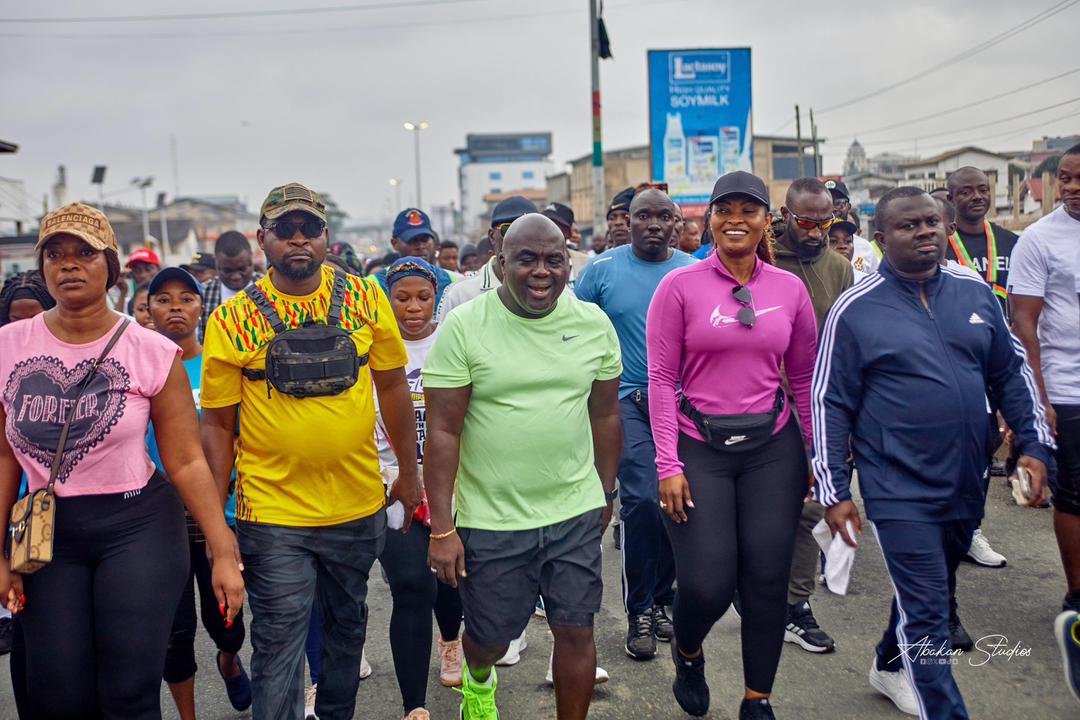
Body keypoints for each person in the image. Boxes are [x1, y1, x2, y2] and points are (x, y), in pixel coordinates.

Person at [814, 186, 1052, 719]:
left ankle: (888, 662)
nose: (925, 232)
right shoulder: (854, 310)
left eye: (931, 223)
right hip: (897, 487)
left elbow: (1009, 374)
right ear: (881, 238)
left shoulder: (974, 294)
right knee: (929, 614)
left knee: (928, 588)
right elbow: (830, 403)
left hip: (965, 480)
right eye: (909, 225)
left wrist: (1033, 447)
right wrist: (833, 491)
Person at [0, 203, 245, 719]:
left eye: (84, 253)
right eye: (56, 254)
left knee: (129, 692)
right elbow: (4, 455)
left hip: (138, 527)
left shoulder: (151, 351)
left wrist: (223, 552)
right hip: (46, 533)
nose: (68, 265)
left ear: (110, 268)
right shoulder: (8, 346)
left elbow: (186, 462)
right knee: (57, 692)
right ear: (43, 267)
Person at [200, 183, 421, 720]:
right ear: (262, 239)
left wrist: (409, 473)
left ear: (326, 237)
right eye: (284, 230)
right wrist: (216, 525)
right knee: (279, 643)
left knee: (347, 633)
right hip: (272, 513)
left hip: (356, 505)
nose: (298, 240)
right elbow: (218, 425)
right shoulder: (232, 320)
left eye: (309, 229)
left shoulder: (367, 298)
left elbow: (393, 387)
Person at [425, 213, 622, 720]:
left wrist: (604, 491)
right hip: (491, 518)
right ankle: (478, 679)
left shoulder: (592, 323)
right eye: (527, 260)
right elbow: (443, 431)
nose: (541, 272)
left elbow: (605, 414)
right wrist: (442, 527)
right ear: (501, 262)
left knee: (576, 628)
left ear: (568, 263)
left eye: (554, 260)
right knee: (490, 637)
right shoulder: (465, 327)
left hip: (573, 509)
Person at [648, 172, 818, 720]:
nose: (736, 218)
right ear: (709, 219)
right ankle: (689, 649)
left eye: (750, 209)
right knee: (707, 584)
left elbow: (804, 377)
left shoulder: (789, 290)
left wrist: (816, 455)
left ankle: (757, 698)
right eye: (726, 209)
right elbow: (658, 379)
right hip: (700, 448)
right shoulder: (680, 286)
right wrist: (668, 463)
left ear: (768, 220)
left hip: (773, 448)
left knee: (768, 579)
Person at [576, 188, 695, 662]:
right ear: (628, 221)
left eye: (662, 216)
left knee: (678, 501)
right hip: (625, 398)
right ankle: (639, 608)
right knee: (644, 500)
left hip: (685, 402)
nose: (652, 224)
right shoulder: (601, 271)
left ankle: (664, 599)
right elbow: (575, 330)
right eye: (642, 215)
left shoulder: (692, 270)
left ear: (677, 224)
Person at [147, 267, 252, 719]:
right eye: (163, 299)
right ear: (147, 309)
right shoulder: (139, 362)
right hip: (157, 516)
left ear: (200, 308)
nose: (175, 308)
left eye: (186, 299)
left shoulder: (218, 363)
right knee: (175, 630)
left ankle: (229, 664)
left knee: (227, 621)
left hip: (217, 511)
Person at [371, 257, 466, 720]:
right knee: (411, 586)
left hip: (452, 487)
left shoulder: (453, 342)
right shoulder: (371, 348)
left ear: (436, 298)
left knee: (449, 581)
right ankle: (415, 707)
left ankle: (451, 642)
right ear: (387, 301)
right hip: (393, 487)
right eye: (401, 298)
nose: (412, 307)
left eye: (422, 297)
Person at [1008, 145, 1080, 702]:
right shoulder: (1040, 239)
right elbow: (1024, 322)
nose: (1073, 186)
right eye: (1066, 178)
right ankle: (1076, 598)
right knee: (1075, 497)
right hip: (1068, 388)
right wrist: (1040, 397)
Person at [773, 177, 854, 655]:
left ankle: (795, 607)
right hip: (757, 402)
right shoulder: (760, 258)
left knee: (808, 508)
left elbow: (846, 340)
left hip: (816, 405)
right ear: (785, 216)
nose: (817, 231)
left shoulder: (839, 268)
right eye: (807, 222)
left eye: (826, 222)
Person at [435, 196, 536, 325]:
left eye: (529, 231)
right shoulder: (461, 294)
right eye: (508, 230)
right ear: (492, 237)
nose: (520, 238)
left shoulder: (558, 294)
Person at [378, 208, 457, 312]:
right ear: (394, 243)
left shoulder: (453, 281)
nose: (420, 246)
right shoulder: (375, 284)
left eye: (424, 239)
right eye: (412, 240)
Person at [199, 230, 258, 342]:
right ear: (216, 262)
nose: (236, 277)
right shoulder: (201, 294)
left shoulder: (271, 289)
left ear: (251, 257)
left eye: (242, 269)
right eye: (227, 270)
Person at [824, 180, 878, 276]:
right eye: (827, 203)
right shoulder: (812, 246)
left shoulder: (865, 248)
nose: (833, 209)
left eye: (839, 203)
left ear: (848, 207)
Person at [543, 202, 591, 289]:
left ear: (567, 232)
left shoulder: (586, 263)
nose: (546, 229)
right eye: (543, 224)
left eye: (553, 225)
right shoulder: (533, 264)